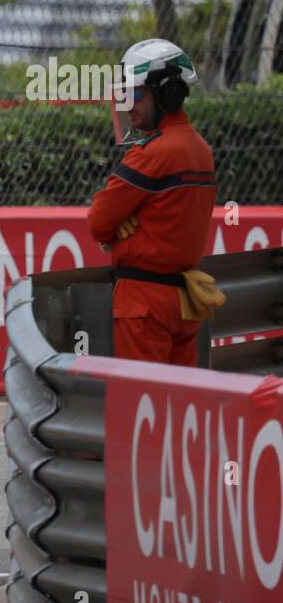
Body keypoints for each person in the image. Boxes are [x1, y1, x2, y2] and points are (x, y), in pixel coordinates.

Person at [86, 39, 222, 365]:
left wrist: (119, 228)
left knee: (138, 409)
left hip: (144, 303)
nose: (129, 105)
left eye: (136, 94)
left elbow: (99, 221)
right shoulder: (200, 149)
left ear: (167, 94)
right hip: (184, 302)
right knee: (176, 408)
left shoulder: (152, 154)